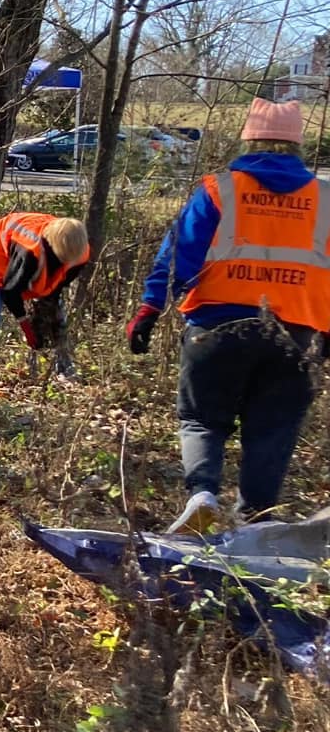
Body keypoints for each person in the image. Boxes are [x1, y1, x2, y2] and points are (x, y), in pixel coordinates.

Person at [127, 97, 328, 532]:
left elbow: (179, 255)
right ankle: (254, 523)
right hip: (298, 337)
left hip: (218, 328)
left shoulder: (221, 188)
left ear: (249, 138)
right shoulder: (325, 198)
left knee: (202, 417)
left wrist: (150, 307)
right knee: (273, 430)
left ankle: (202, 494)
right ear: (299, 146)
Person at [0, 213, 90, 398]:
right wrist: (26, 326)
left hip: (23, 264)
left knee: (58, 312)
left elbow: (55, 291)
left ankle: (64, 368)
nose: (69, 264)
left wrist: (46, 316)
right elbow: (10, 292)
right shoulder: (30, 250)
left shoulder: (80, 253)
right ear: (56, 248)